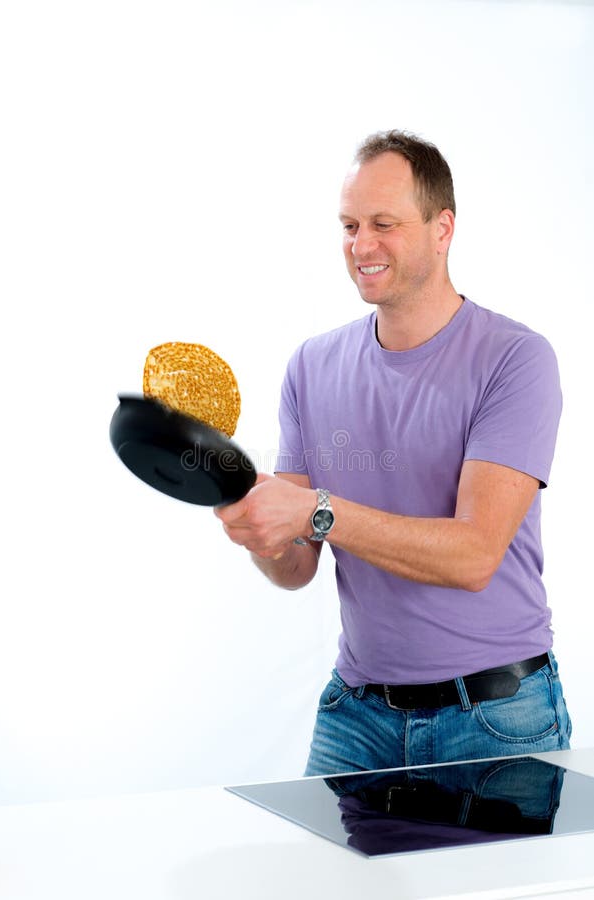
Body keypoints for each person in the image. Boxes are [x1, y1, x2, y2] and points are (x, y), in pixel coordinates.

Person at [214, 129, 572, 776]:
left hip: (495, 717)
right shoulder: (311, 366)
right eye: (349, 225)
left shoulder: (515, 360)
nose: (361, 246)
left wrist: (314, 510)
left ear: (442, 229)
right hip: (356, 715)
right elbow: (296, 568)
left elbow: (473, 556)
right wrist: (257, 526)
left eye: (384, 224)